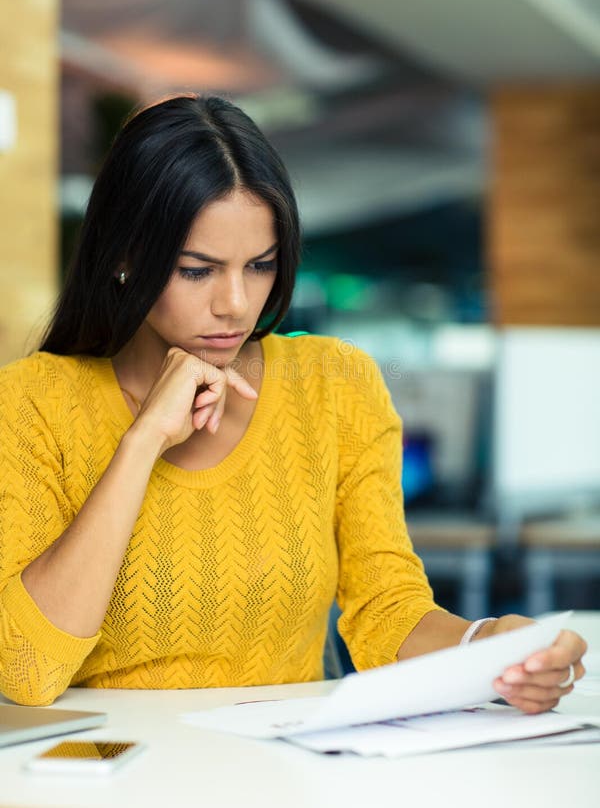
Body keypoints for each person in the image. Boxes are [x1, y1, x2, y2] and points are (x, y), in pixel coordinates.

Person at [0, 94, 586, 710]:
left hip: (283, 774)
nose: (235, 303)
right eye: (197, 270)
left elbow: (386, 609)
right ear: (124, 256)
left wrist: (489, 645)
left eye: (260, 266)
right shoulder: (32, 404)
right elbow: (26, 671)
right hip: (108, 779)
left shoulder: (337, 384)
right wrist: (142, 442)